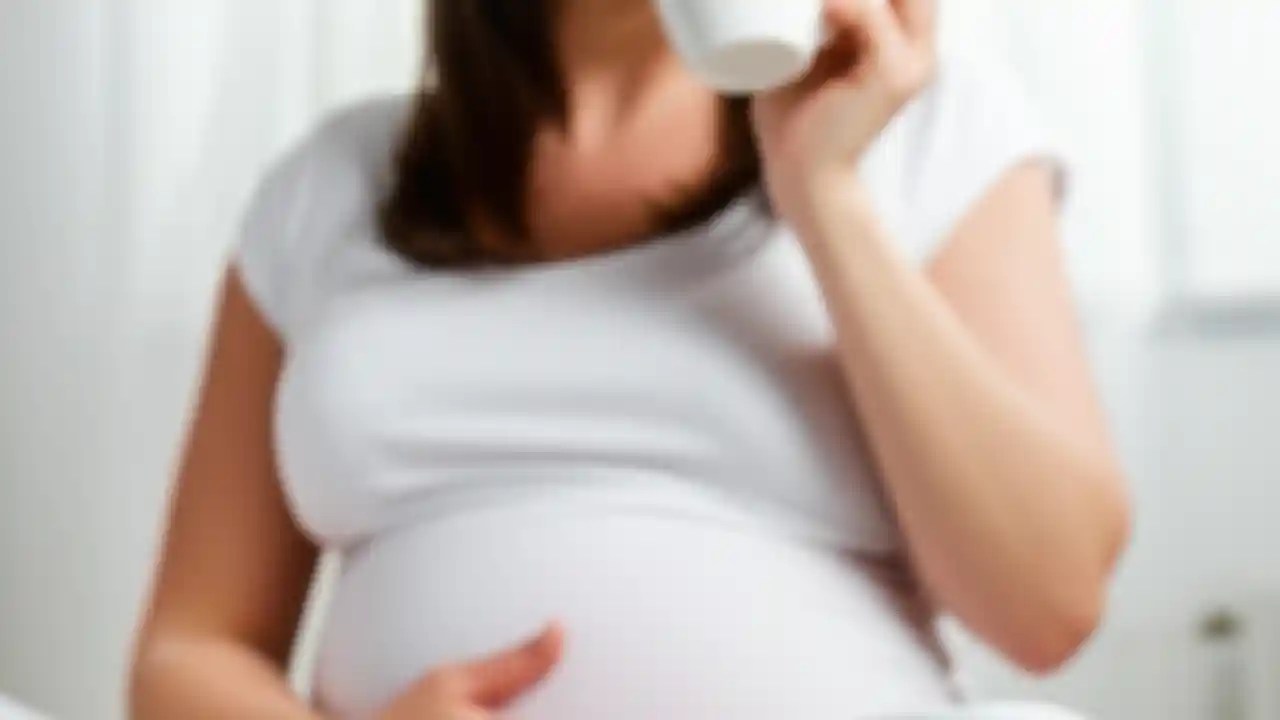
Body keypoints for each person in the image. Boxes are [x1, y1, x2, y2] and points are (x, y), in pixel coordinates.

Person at [129, 0, 1132, 718]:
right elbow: (188, 649)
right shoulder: (328, 189)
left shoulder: (924, 127)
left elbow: (1046, 608)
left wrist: (821, 191)